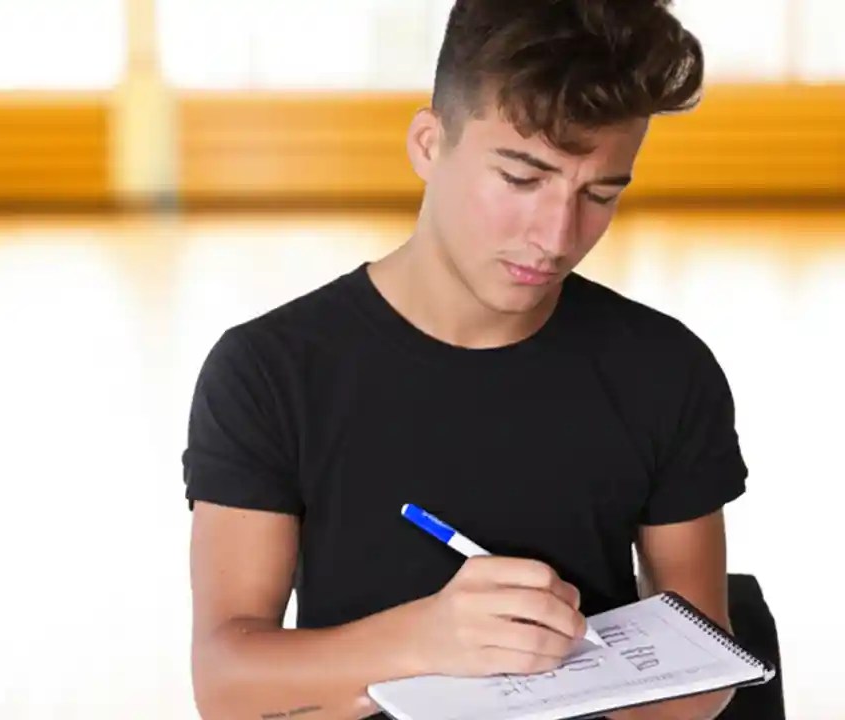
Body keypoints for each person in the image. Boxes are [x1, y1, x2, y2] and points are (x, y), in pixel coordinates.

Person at [181, 1, 749, 719]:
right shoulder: (269, 371)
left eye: (599, 194)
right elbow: (226, 683)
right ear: (428, 143)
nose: (556, 235)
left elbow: (704, 664)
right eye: (521, 179)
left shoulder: (666, 369)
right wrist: (424, 640)